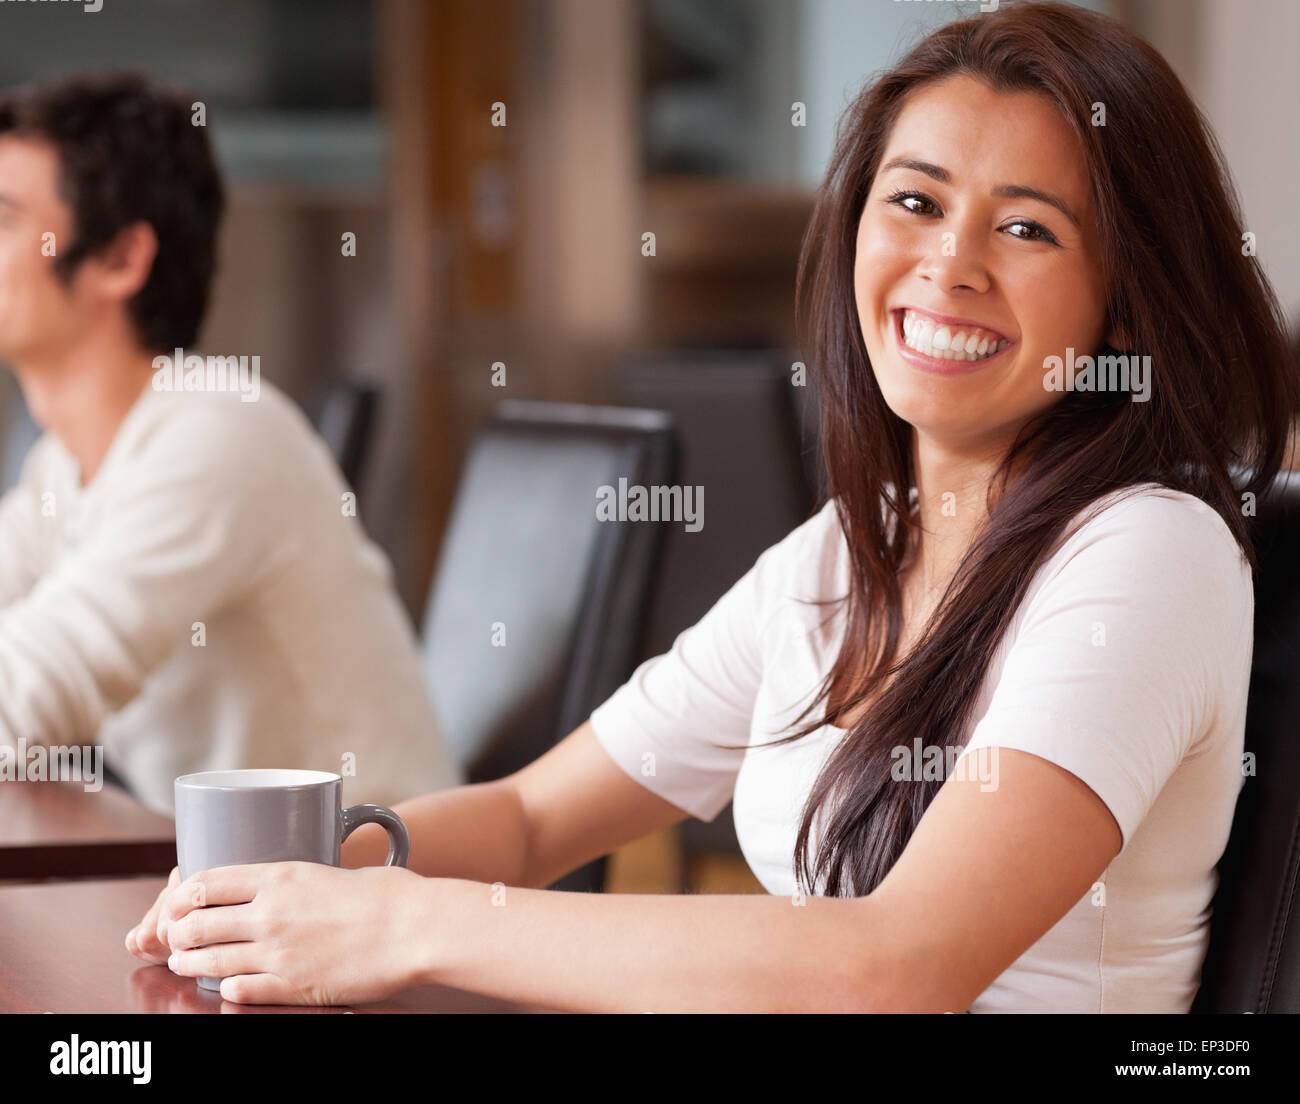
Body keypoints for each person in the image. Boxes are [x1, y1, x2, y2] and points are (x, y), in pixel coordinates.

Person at [129, 3, 1297, 1011]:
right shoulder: (852, 550)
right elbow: (535, 821)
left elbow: (897, 969)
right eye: (915, 202)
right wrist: (305, 880)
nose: (949, 263)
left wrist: (397, 927)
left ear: (1128, 307)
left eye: (1026, 227)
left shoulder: (1147, 549)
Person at [0, 72, 460, 813]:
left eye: (5, 217)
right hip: (239, 888)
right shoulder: (65, 466)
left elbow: (28, 697)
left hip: (380, 889)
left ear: (120, 259)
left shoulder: (216, 435)